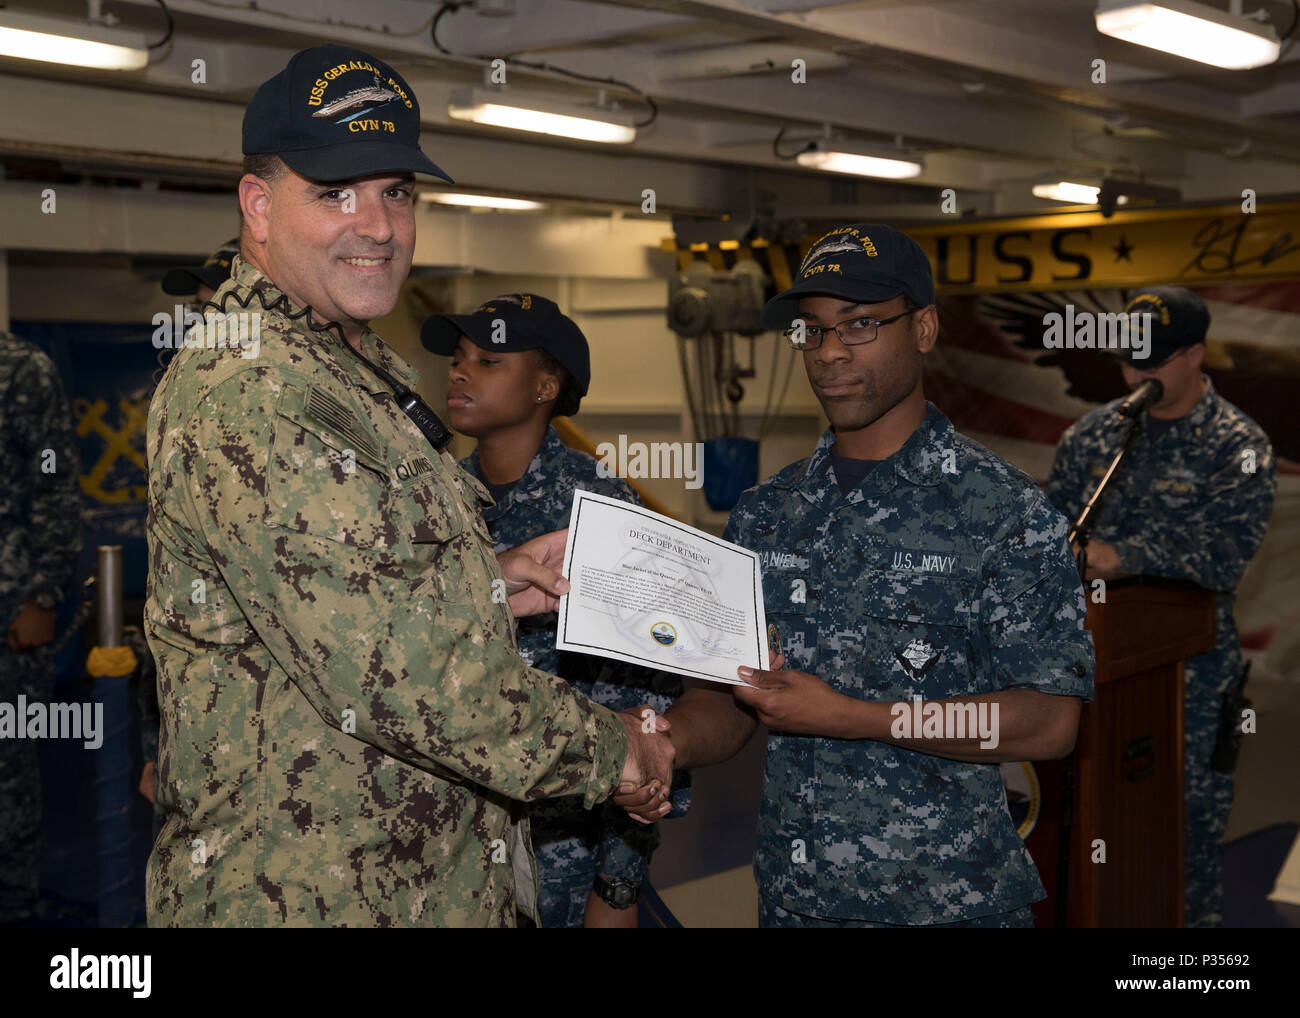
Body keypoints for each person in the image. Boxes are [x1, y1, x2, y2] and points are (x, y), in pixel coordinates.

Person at [143, 44, 672, 928]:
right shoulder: (257, 392)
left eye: (397, 192)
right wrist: (614, 751)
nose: (380, 226)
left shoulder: (336, 365)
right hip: (310, 896)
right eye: (336, 194)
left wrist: (489, 579)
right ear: (259, 207)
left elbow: (346, 594)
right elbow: (409, 680)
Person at [620, 223, 1095, 927]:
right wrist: (664, 743)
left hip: (949, 907)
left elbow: (1051, 722)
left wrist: (858, 719)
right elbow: (728, 698)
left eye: (861, 324)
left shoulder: (1003, 511)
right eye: (812, 331)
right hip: (797, 902)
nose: (830, 352)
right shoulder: (768, 513)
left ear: (925, 328)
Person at [423, 293, 689, 927]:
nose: (460, 372)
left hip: (562, 856)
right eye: (459, 358)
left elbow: (646, 700)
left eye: (488, 361)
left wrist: (619, 885)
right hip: (449, 849)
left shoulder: (600, 512)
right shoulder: (432, 502)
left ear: (546, 386)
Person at [1045, 286, 1276, 928]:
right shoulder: (1093, 437)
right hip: (1093, 669)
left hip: (1192, 682)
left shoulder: (1239, 445)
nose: (1137, 375)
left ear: (1197, 354)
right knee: (1092, 827)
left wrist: (1124, 555)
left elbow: (1227, 556)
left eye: (1155, 361)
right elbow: (1055, 540)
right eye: (1127, 361)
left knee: (1185, 839)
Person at [139, 239, 240, 824]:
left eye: (217, 311)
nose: (201, 327)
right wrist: (160, 739)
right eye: (198, 312)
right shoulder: (186, 409)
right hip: (194, 729)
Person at [0, 329, 82, 925]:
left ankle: (14, 907)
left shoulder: (22, 368)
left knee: (9, 780)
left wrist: (43, 595)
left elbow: (54, 485)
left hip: (9, 613)